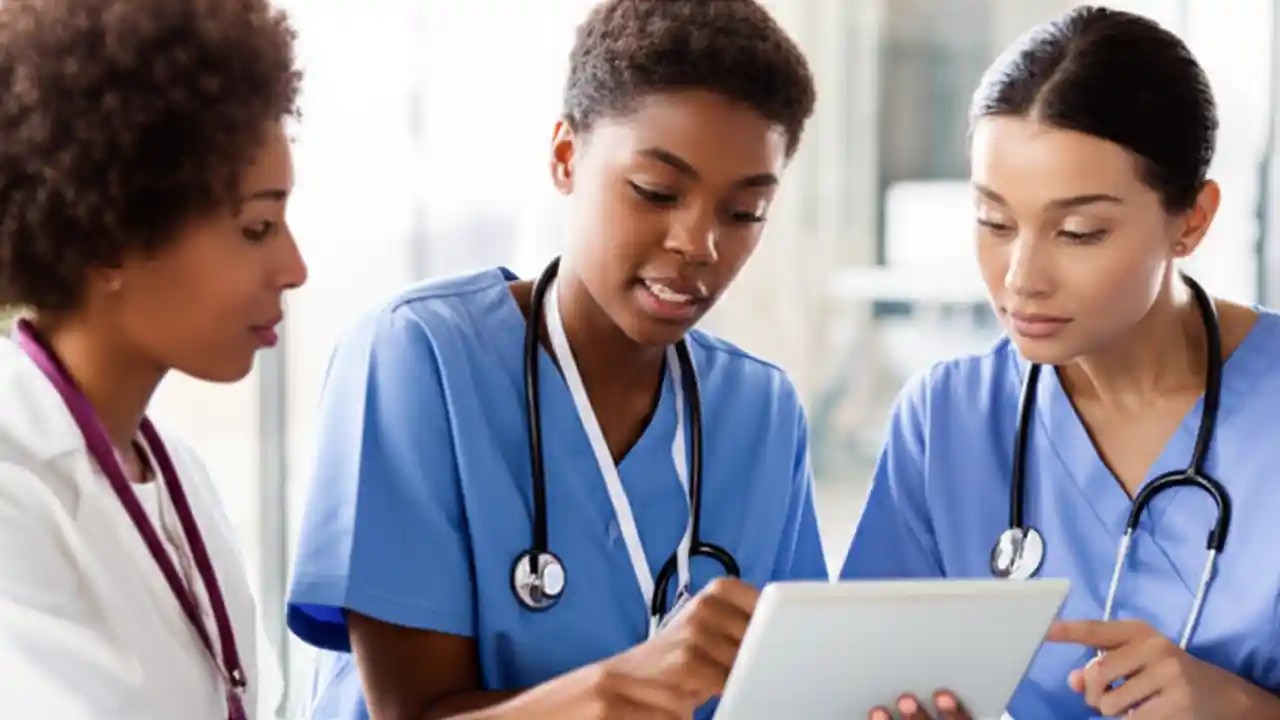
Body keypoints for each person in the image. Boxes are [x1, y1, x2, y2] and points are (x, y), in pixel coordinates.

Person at [284, 1, 826, 718]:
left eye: (744, 212)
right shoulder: (422, 359)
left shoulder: (759, 411)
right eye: (657, 193)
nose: (700, 244)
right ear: (566, 157)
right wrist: (616, 691)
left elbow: (793, 693)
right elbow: (409, 711)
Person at [841, 6, 1280, 720]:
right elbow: (858, 685)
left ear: (1193, 221)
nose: (1021, 277)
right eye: (993, 221)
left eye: (1079, 232)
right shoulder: (948, 420)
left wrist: (1242, 708)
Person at [0, 0, 306, 717]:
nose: (294, 268)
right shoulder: (13, 486)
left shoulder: (176, 476)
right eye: (256, 227)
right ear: (112, 236)